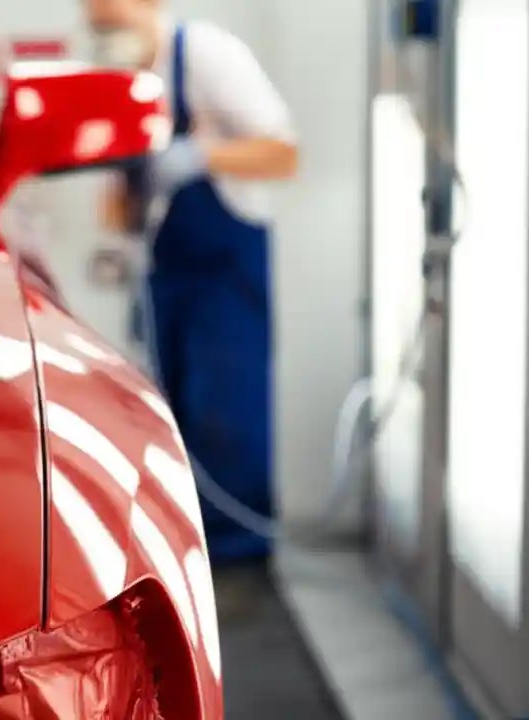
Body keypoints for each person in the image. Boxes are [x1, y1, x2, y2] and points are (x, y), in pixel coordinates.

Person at [87, 0, 299, 561]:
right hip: (167, 277)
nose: (104, 30)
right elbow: (113, 212)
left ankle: (242, 561)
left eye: (115, 20)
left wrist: (201, 155)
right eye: (98, 24)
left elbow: (284, 152)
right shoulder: (120, 81)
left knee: (225, 415)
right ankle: (191, 558)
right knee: (172, 425)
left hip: (226, 273)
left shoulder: (206, 54)